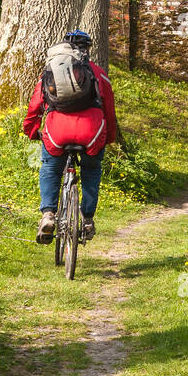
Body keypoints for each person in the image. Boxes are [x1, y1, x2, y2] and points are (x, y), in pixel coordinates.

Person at [22, 30, 117, 244]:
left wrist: (31, 130)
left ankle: (48, 214)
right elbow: (109, 110)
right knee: (91, 169)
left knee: (50, 167)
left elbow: (36, 105)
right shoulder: (98, 74)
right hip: (91, 133)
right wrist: (109, 137)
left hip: (57, 132)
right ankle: (87, 219)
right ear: (88, 49)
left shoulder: (51, 71)